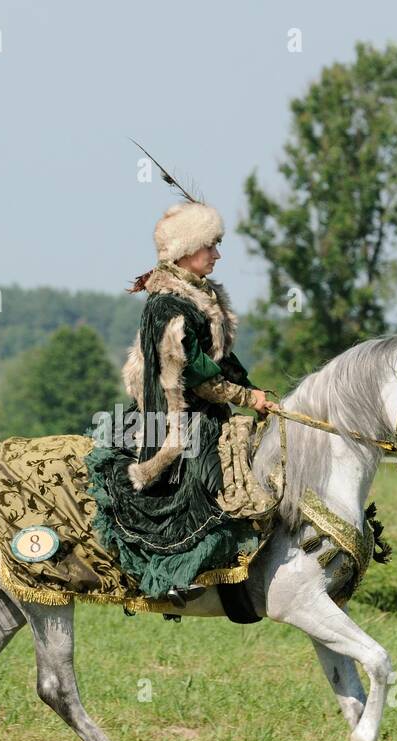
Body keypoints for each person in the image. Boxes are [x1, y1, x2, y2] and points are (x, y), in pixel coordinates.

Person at [84, 200, 279, 607]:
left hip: (208, 409)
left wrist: (258, 393)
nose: (217, 255)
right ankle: (174, 574)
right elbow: (195, 372)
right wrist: (246, 398)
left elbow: (222, 360)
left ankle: (243, 582)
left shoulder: (201, 296)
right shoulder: (167, 305)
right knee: (208, 477)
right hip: (174, 418)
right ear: (186, 249)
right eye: (211, 246)